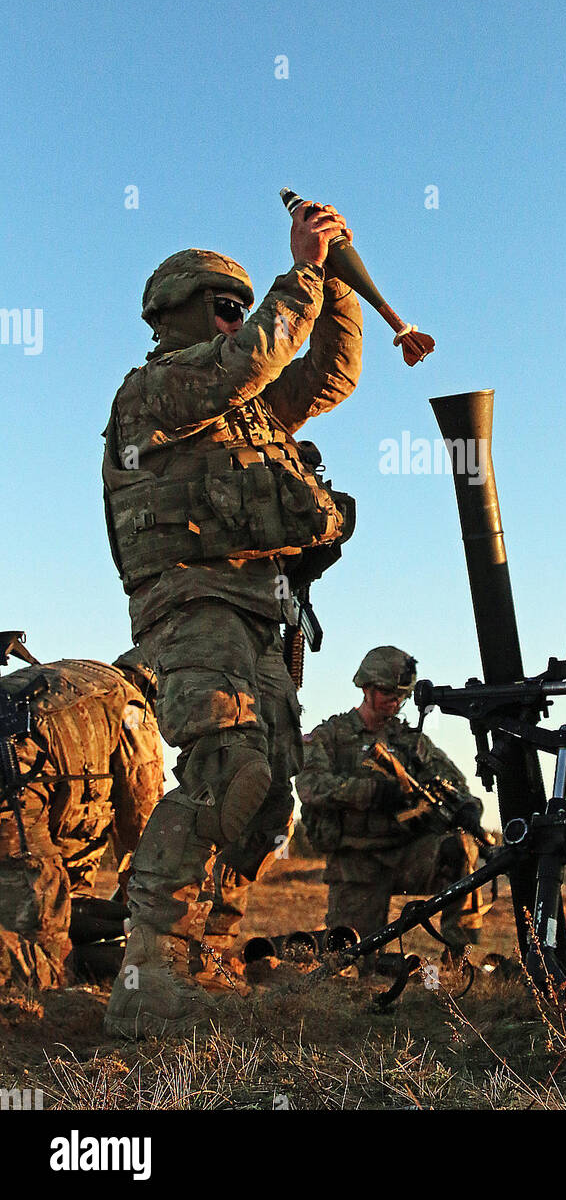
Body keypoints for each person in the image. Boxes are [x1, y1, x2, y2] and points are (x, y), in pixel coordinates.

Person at [101, 200, 362, 1038]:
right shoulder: (161, 390)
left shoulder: (247, 407)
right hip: (191, 602)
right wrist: (303, 273)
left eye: (240, 304)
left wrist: (340, 281)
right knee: (227, 771)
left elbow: (328, 376)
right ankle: (148, 968)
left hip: (262, 615)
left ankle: (207, 955)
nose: (236, 315)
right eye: (222, 303)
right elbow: (247, 361)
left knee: (271, 795)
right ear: (177, 310)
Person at [296, 646, 487, 959]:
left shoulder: (410, 741)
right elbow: (311, 787)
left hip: (407, 856)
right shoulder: (329, 736)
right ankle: (290, 951)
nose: (395, 701)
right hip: (355, 862)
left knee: (461, 848)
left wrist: (468, 808)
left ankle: (459, 957)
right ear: (366, 688)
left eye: (403, 694)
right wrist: (374, 793)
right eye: (387, 692)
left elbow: (457, 784)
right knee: (352, 958)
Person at [0, 634, 163, 989]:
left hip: (22, 785)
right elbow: (144, 828)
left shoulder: (77, 678)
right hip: (12, 789)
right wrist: (147, 914)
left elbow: (75, 809)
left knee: (52, 912)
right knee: (43, 956)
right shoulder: (131, 707)